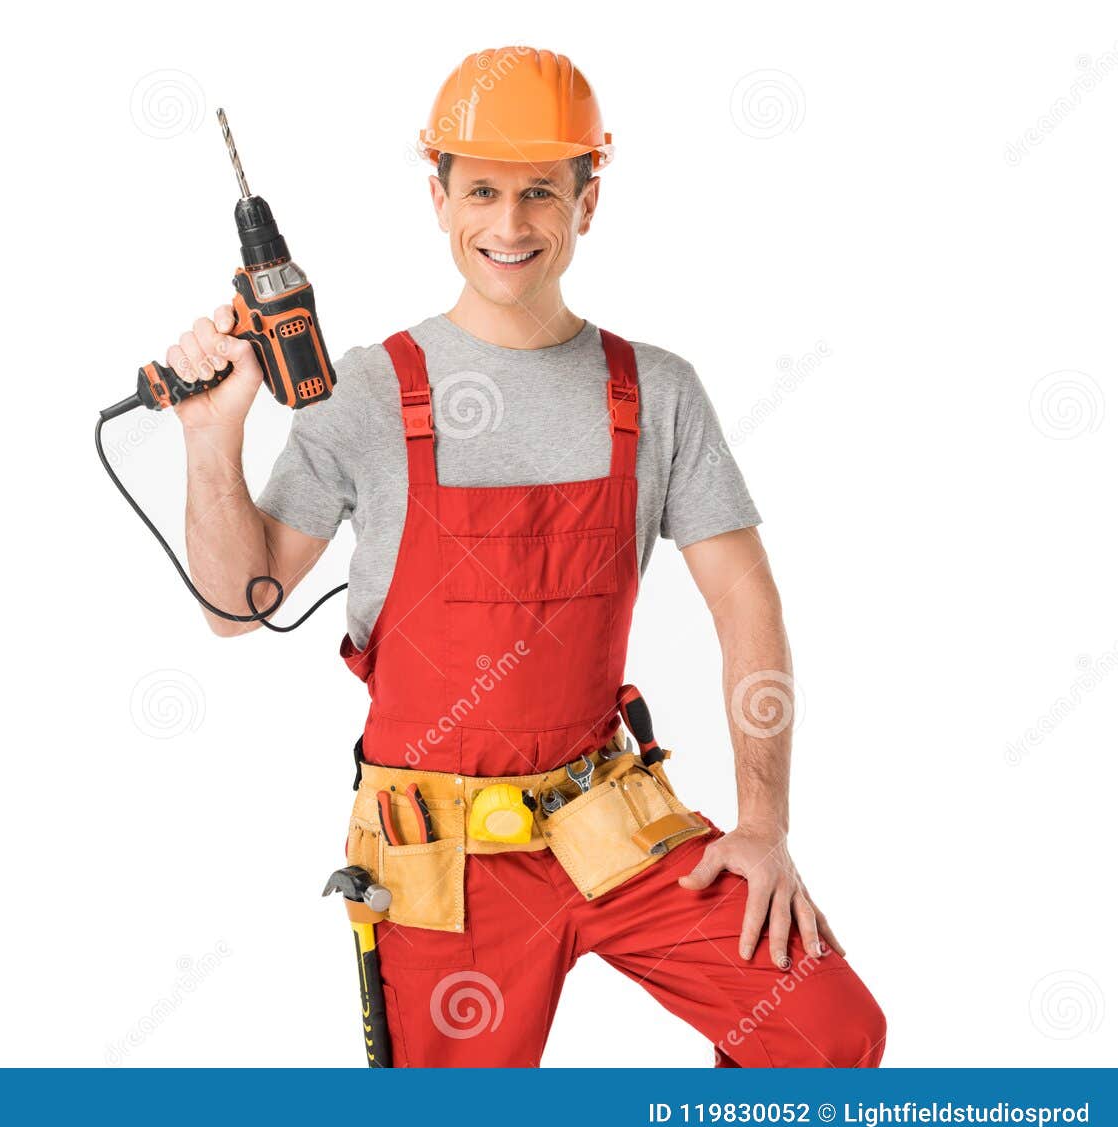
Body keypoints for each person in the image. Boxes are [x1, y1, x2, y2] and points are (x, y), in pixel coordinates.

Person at [159, 46, 885, 1068]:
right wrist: (210, 436)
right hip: (440, 858)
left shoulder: (657, 391)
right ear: (439, 197)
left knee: (824, 1035)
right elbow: (237, 607)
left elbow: (745, 605)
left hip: (610, 825)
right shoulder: (368, 392)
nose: (509, 226)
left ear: (587, 201)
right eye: (484, 191)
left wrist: (762, 827)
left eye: (540, 192)